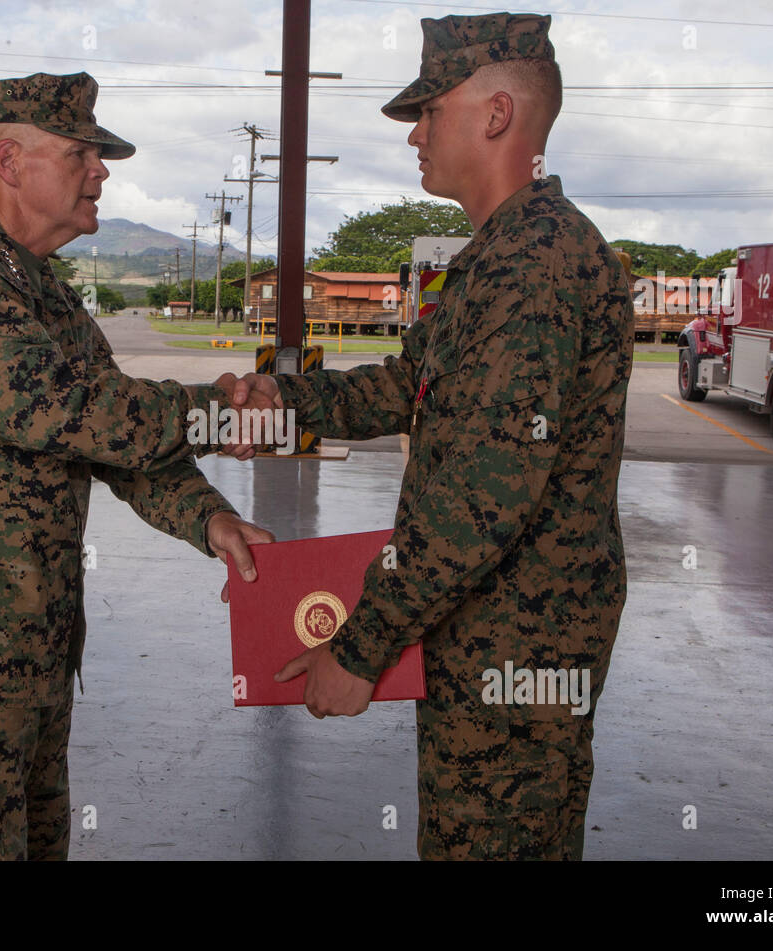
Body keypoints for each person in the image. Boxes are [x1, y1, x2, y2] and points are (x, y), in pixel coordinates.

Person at [224, 12, 635, 860]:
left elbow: (482, 499)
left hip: (516, 655)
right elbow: (406, 386)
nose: (413, 133)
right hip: (489, 642)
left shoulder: (536, 265)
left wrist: (359, 645)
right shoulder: (497, 256)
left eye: (427, 111)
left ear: (495, 115)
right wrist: (283, 401)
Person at [0, 72, 272, 860]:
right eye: (82, 151)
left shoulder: (39, 288)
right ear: (9, 160)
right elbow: (56, 406)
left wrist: (208, 517)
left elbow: (111, 431)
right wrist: (217, 408)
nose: (102, 170)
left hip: (34, 660)